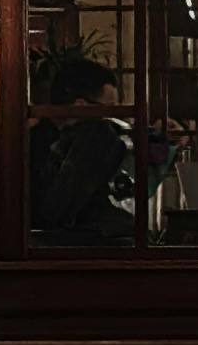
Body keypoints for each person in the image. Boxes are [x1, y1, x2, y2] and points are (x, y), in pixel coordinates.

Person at [29, 51, 138, 247]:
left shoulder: (36, 137)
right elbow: (59, 208)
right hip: (67, 243)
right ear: (80, 106)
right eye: (108, 109)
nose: (111, 116)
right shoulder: (96, 136)